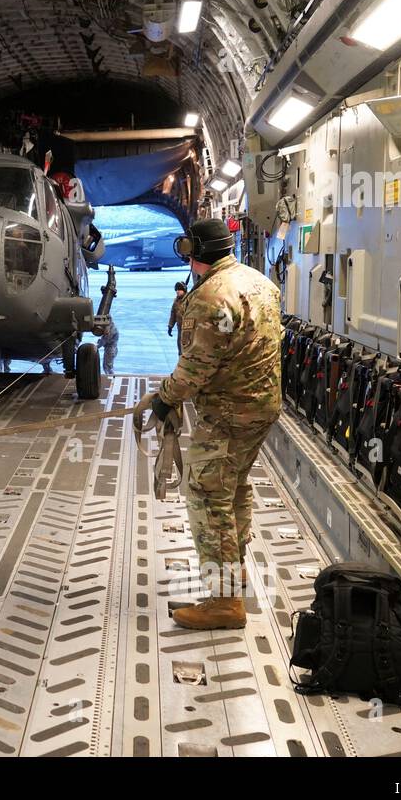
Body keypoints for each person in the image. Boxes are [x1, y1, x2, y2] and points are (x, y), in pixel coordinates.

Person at [134, 218, 282, 630]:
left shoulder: (211, 297)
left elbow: (194, 370)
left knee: (205, 493)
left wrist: (164, 399)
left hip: (228, 414)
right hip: (261, 408)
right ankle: (233, 580)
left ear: (195, 250)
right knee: (232, 489)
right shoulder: (258, 282)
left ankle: (224, 602)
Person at [167, 281, 188, 356]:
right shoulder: (176, 301)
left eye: (179, 289)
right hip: (180, 329)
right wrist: (170, 326)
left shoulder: (189, 300)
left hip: (188, 329)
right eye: (176, 290)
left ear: (184, 290)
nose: (177, 291)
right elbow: (173, 314)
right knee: (180, 346)